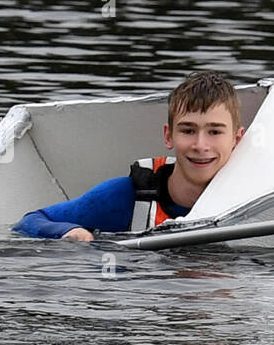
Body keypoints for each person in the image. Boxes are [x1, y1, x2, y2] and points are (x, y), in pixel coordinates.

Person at [12, 71, 245, 241]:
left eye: (215, 132)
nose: (200, 145)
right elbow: (30, 221)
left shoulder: (256, 199)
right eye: (188, 130)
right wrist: (69, 232)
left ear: (236, 139)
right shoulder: (125, 197)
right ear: (168, 136)